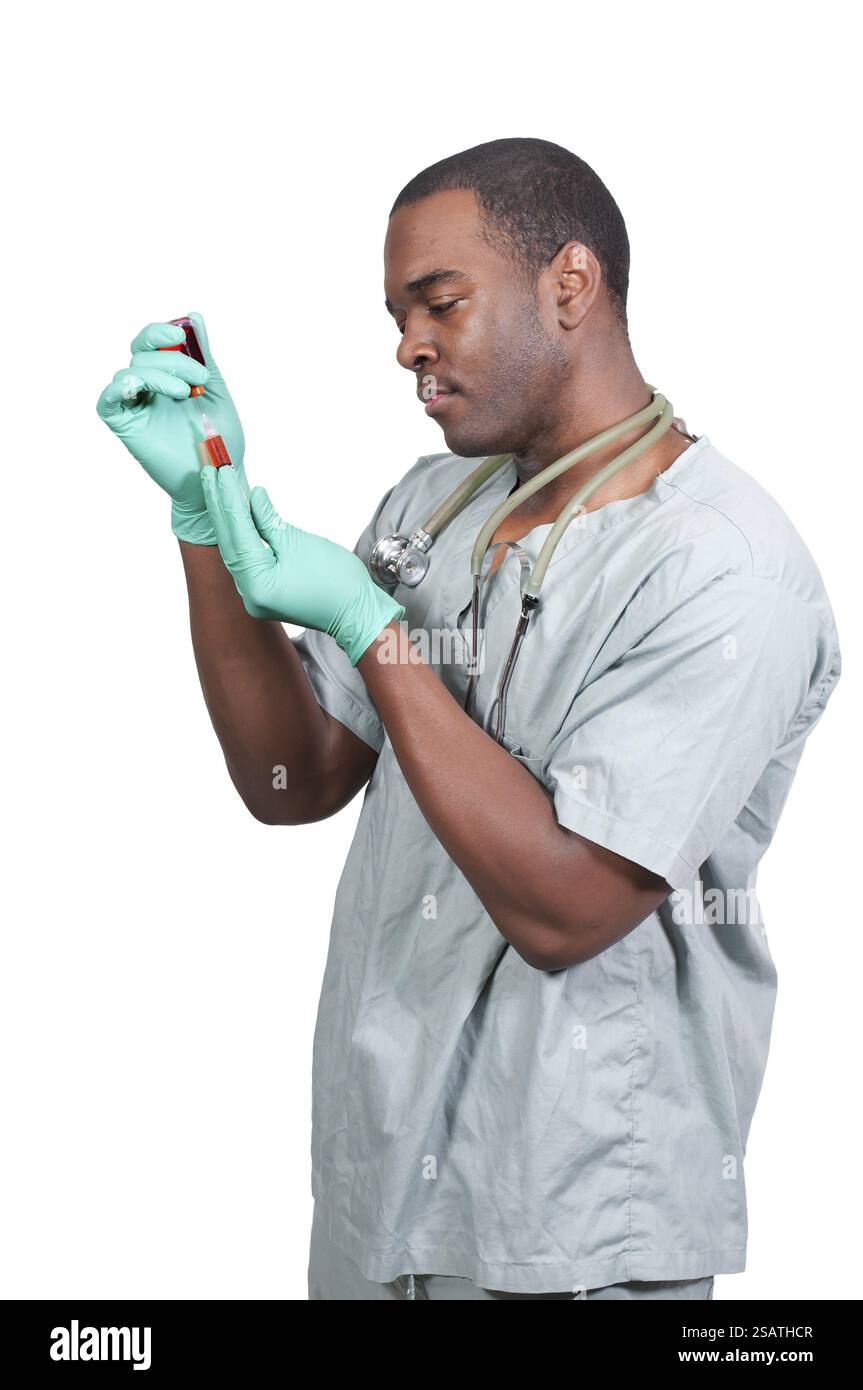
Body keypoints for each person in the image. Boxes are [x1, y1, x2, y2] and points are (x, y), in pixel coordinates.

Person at [97, 137, 841, 1301]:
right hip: (381, 1189)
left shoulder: (722, 567)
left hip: (567, 1222)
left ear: (569, 285)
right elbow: (289, 777)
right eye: (396, 313)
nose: (406, 346)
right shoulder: (429, 504)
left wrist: (370, 627)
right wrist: (206, 514)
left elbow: (566, 906)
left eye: (438, 302)